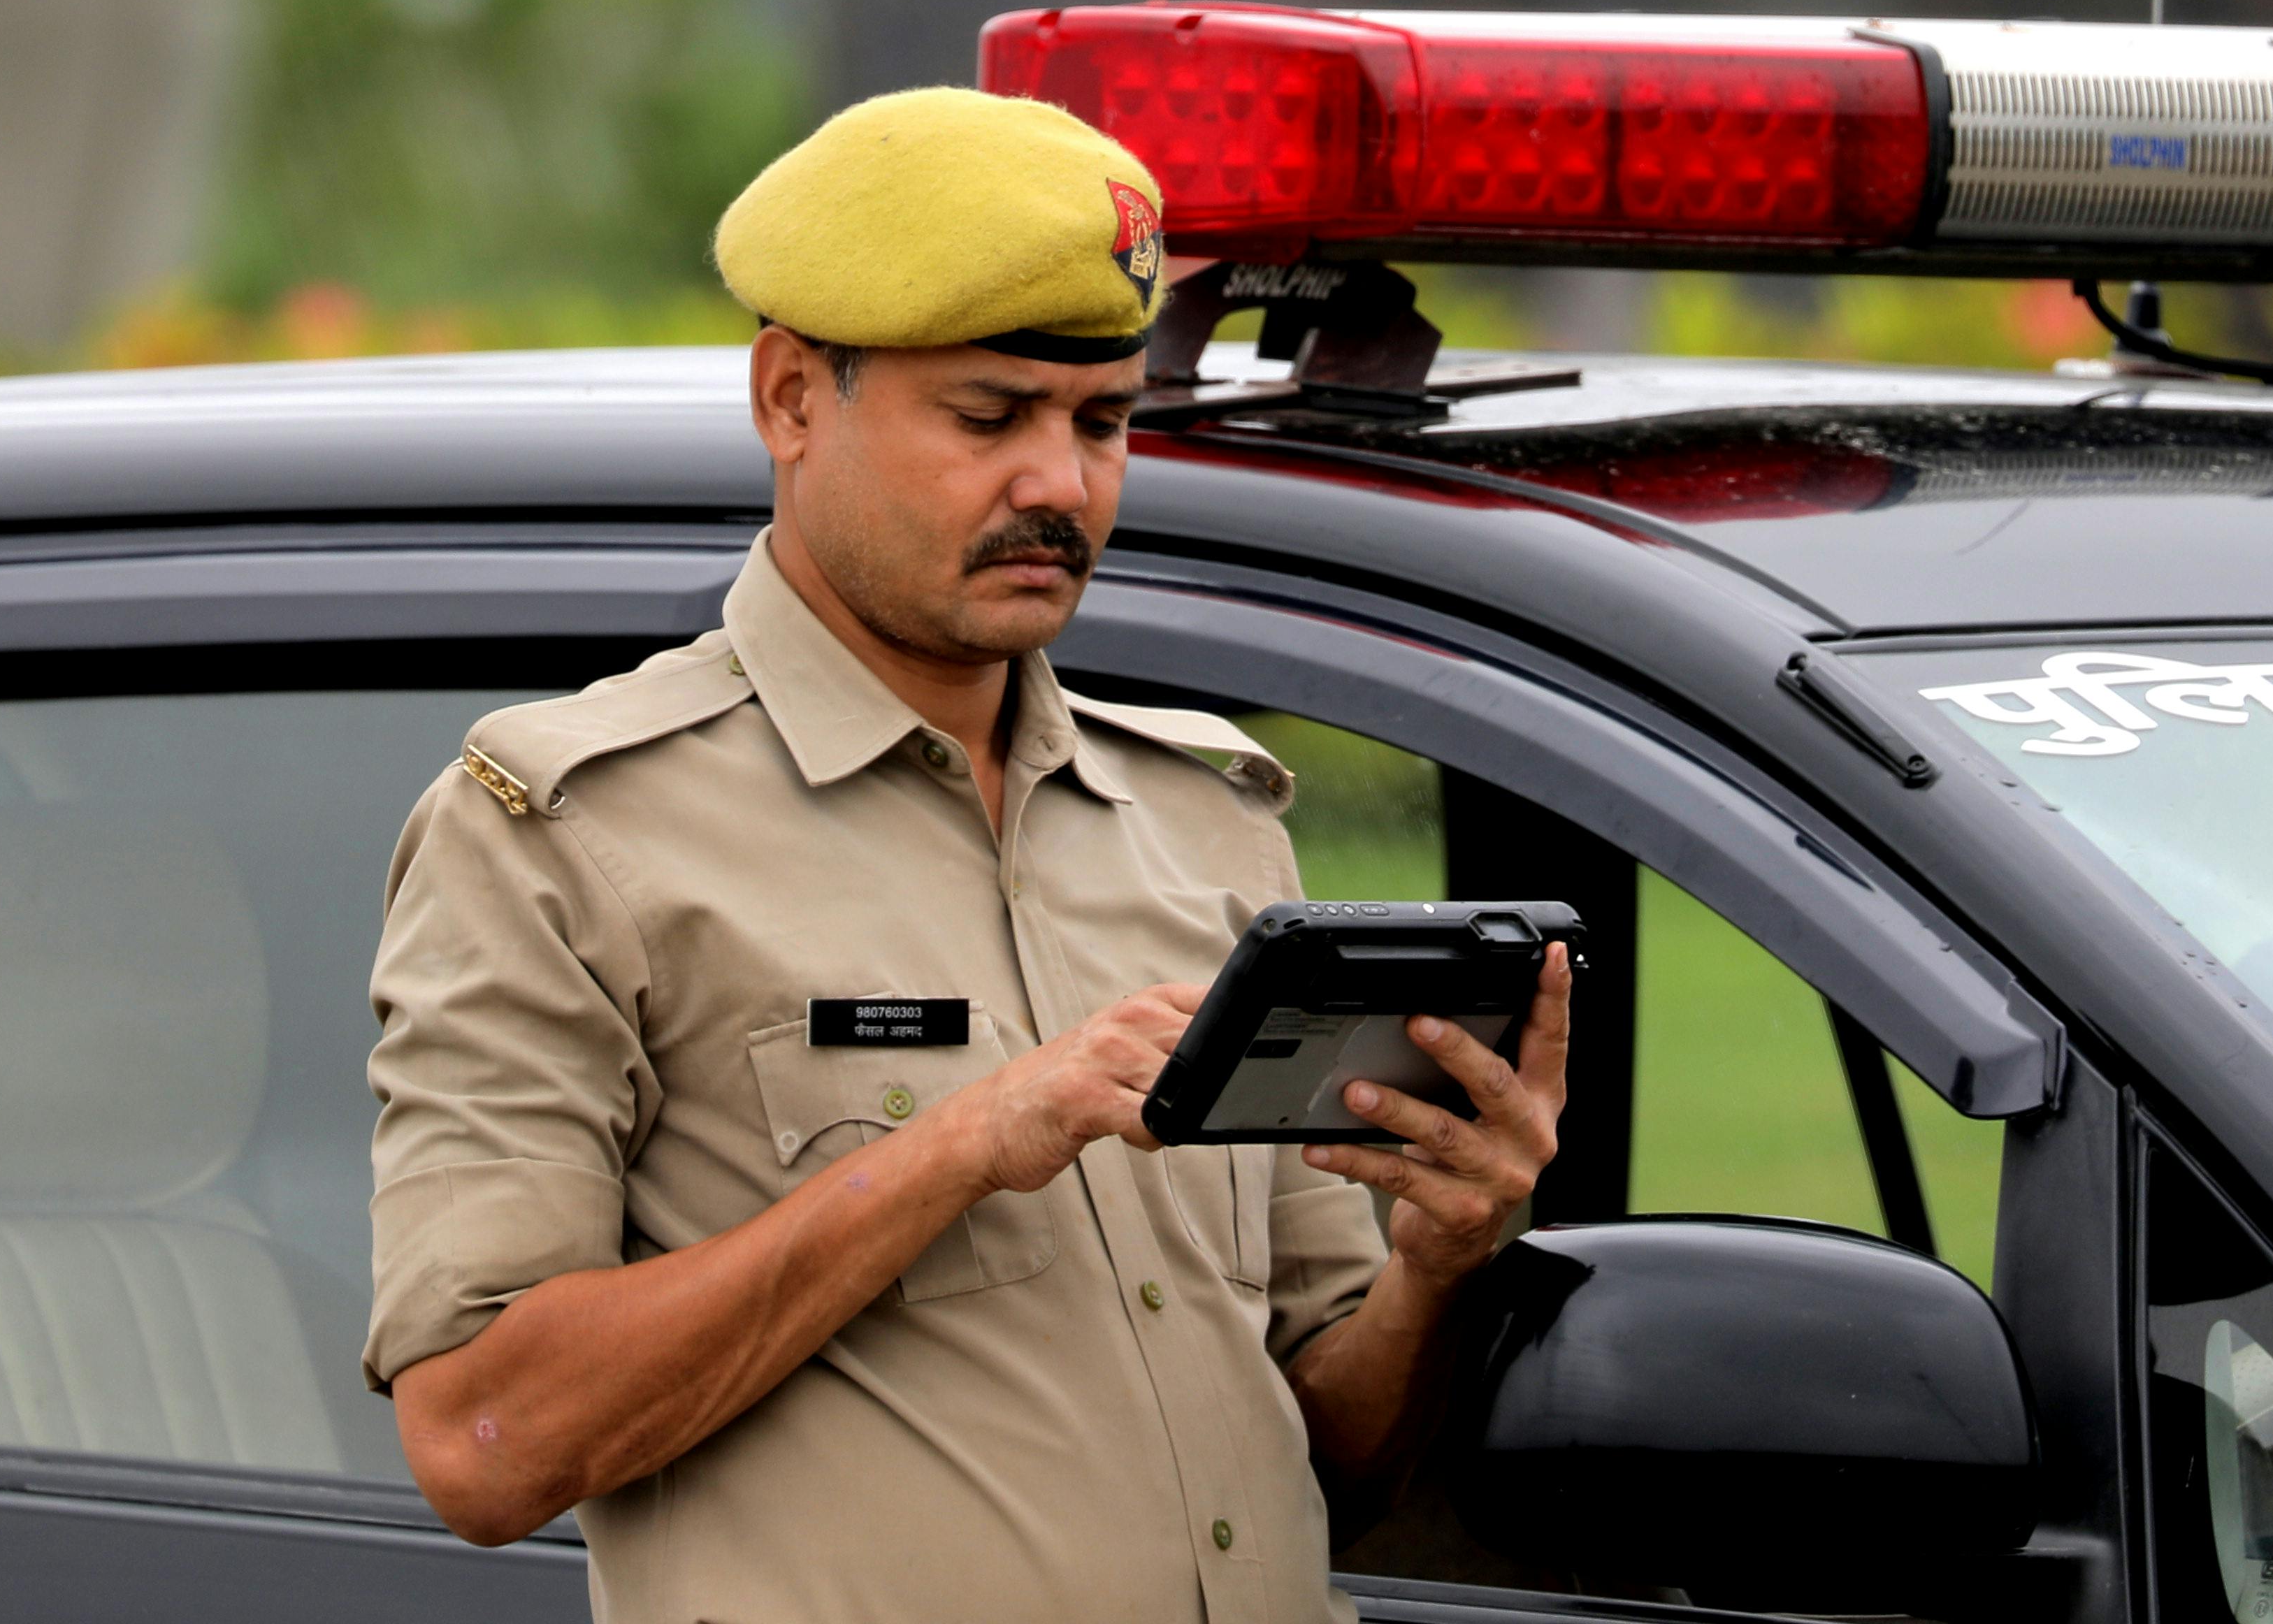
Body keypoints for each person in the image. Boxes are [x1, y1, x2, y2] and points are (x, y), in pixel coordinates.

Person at [364, 85, 1570, 1624]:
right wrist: (961, 1142)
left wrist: (1440, 1259)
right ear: (792, 397)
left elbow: (1325, 1457)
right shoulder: (570, 827)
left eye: (1104, 423)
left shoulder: (1205, 819)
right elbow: (482, 1437)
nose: (1059, 487)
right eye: (989, 417)